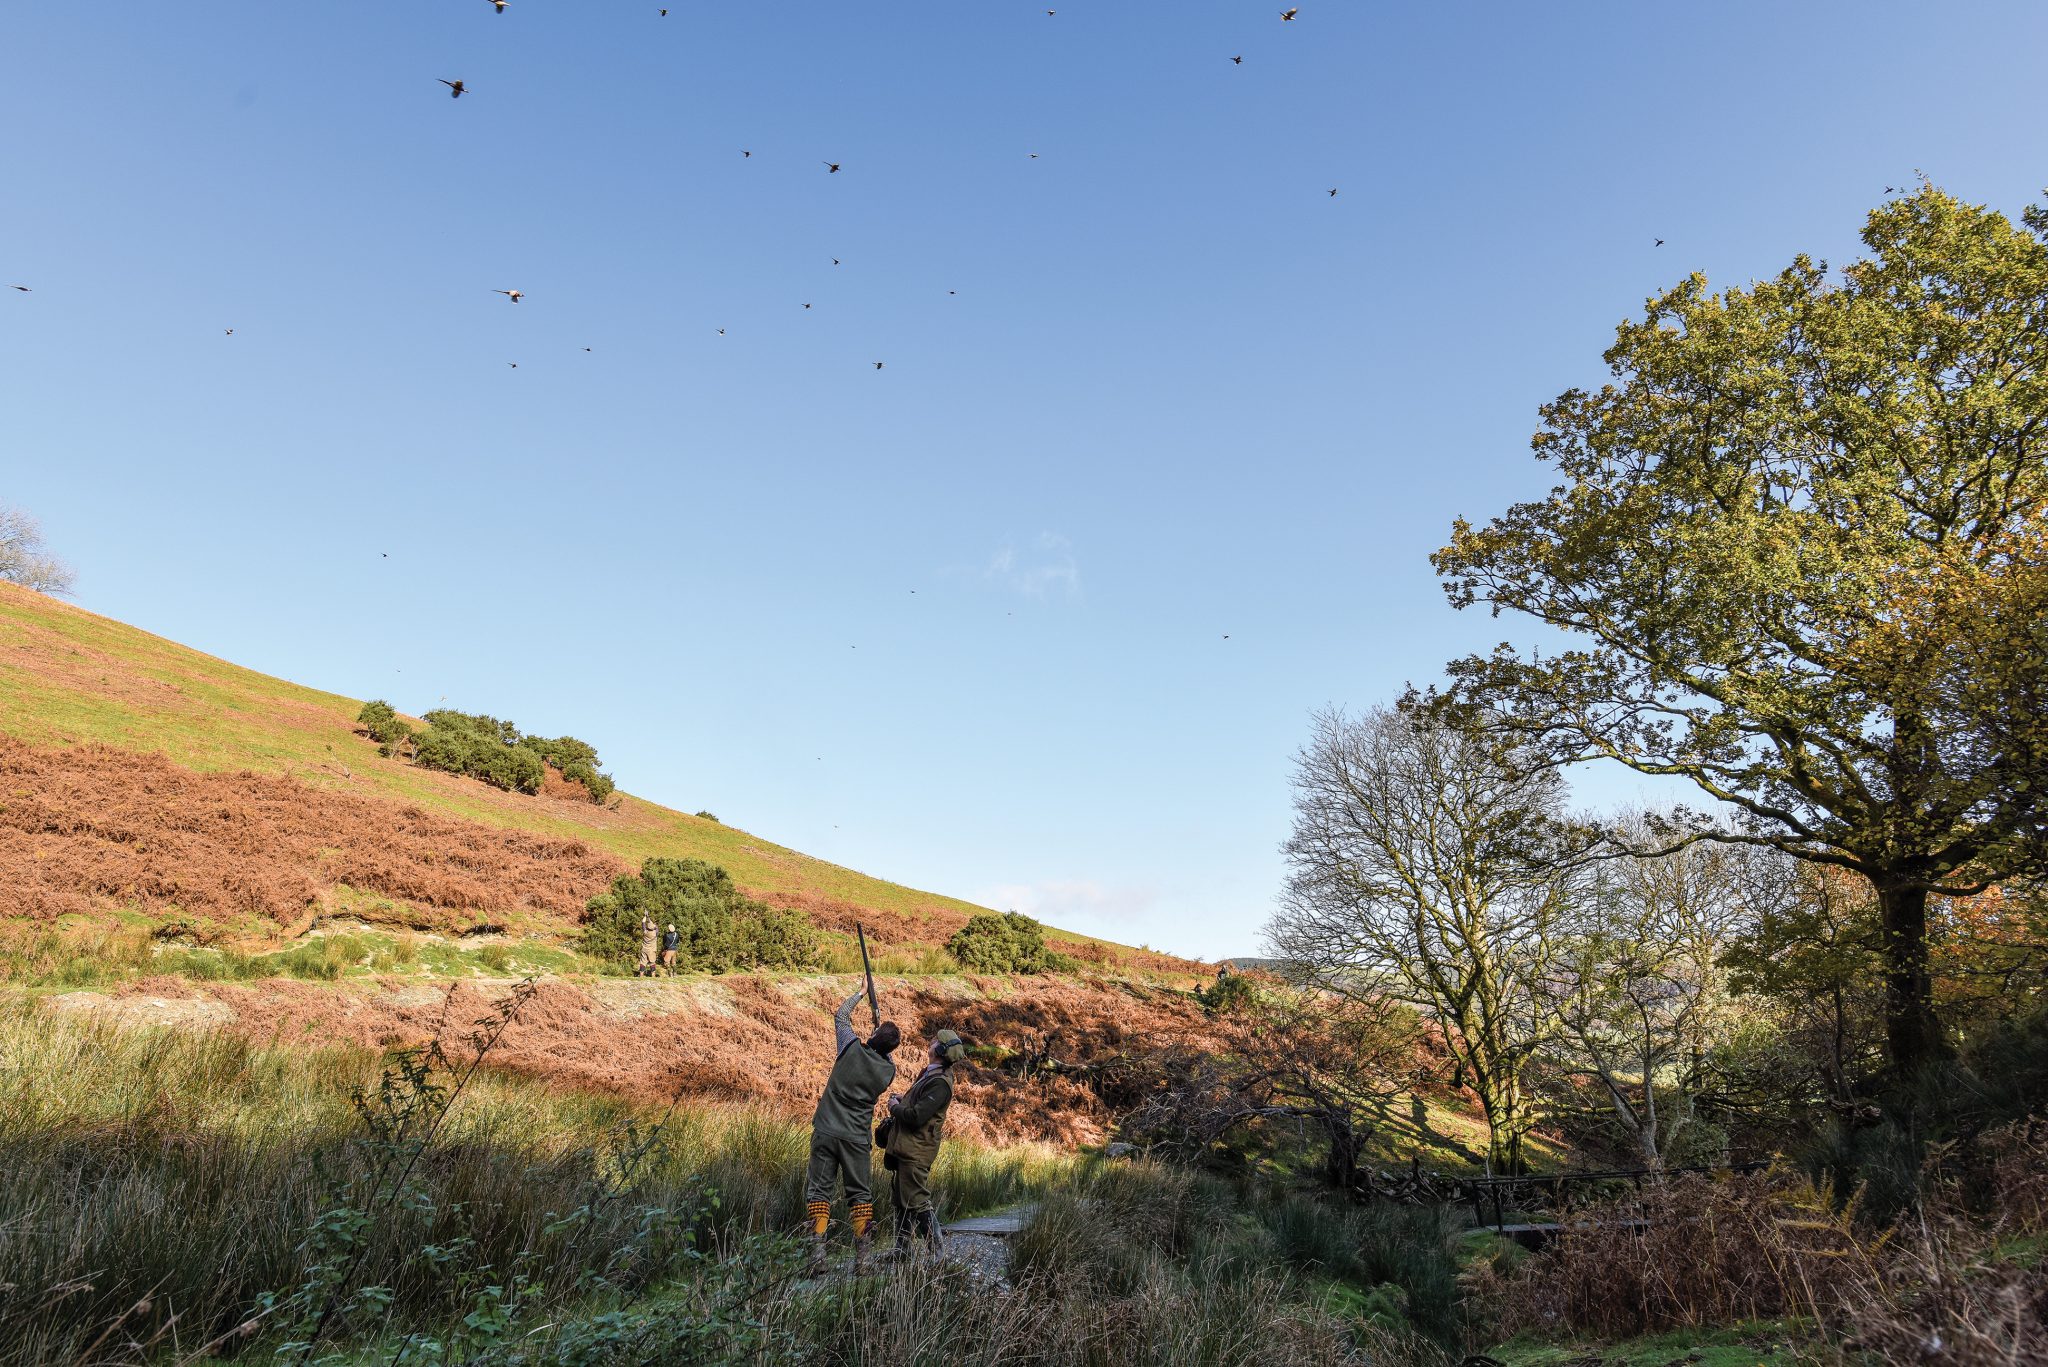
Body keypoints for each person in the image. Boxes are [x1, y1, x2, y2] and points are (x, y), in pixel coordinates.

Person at [806, 987, 899, 1273]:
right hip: (857, 1139)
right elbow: (886, 1058)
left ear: (872, 1036)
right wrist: (878, 1038)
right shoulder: (888, 1071)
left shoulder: (849, 1047)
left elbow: (841, 1016)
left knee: (819, 1192)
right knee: (860, 1196)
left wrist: (860, 994)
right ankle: (863, 1260)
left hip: (826, 1130)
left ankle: (817, 1256)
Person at [882, 1027, 967, 1255]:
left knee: (918, 1200)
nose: (929, 1045)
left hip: (917, 1149)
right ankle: (902, 1250)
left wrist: (894, 1107)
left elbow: (917, 1116)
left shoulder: (940, 1082)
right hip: (908, 1146)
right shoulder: (930, 1073)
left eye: (933, 1043)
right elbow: (918, 1103)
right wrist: (904, 1098)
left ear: (939, 1050)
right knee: (901, 1199)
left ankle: (937, 1254)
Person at [637, 913, 658, 977]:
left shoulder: (645, 932)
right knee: (652, 962)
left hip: (644, 949)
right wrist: (648, 916)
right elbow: (656, 927)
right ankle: (653, 976)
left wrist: (646, 916)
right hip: (651, 950)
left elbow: (643, 922)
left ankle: (641, 975)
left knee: (643, 962)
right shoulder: (655, 933)